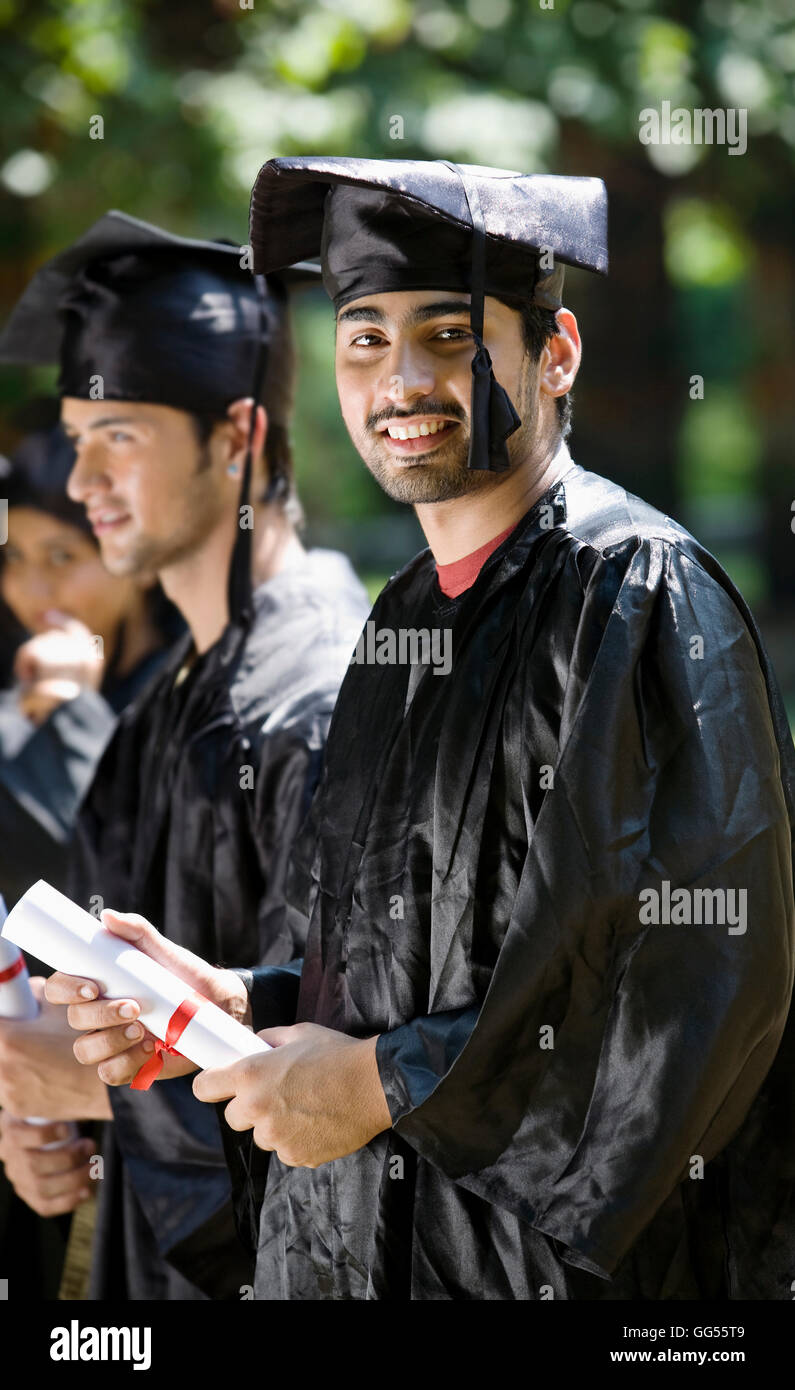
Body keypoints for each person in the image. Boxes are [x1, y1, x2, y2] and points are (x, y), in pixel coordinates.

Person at [52, 159, 795, 1301]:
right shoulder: (404, 621)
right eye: (365, 340)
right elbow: (416, 975)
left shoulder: (632, 594)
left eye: (449, 336)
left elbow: (691, 983)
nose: (400, 379)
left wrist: (379, 1086)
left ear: (555, 354)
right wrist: (240, 1005)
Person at [0, 210, 369, 1299]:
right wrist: (51, 1124)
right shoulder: (170, 700)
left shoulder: (325, 698)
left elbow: (349, 1078)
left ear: (237, 436)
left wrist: (79, 1086)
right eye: (76, 438)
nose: (83, 480)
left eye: (118, 436)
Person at [0, 423, 180, 906]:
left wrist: (73, 715)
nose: (31, 590)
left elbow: (138, 888)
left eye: (62, 556)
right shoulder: (22, 678)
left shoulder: (196, 702)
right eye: (14, 556)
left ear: (141, 560)